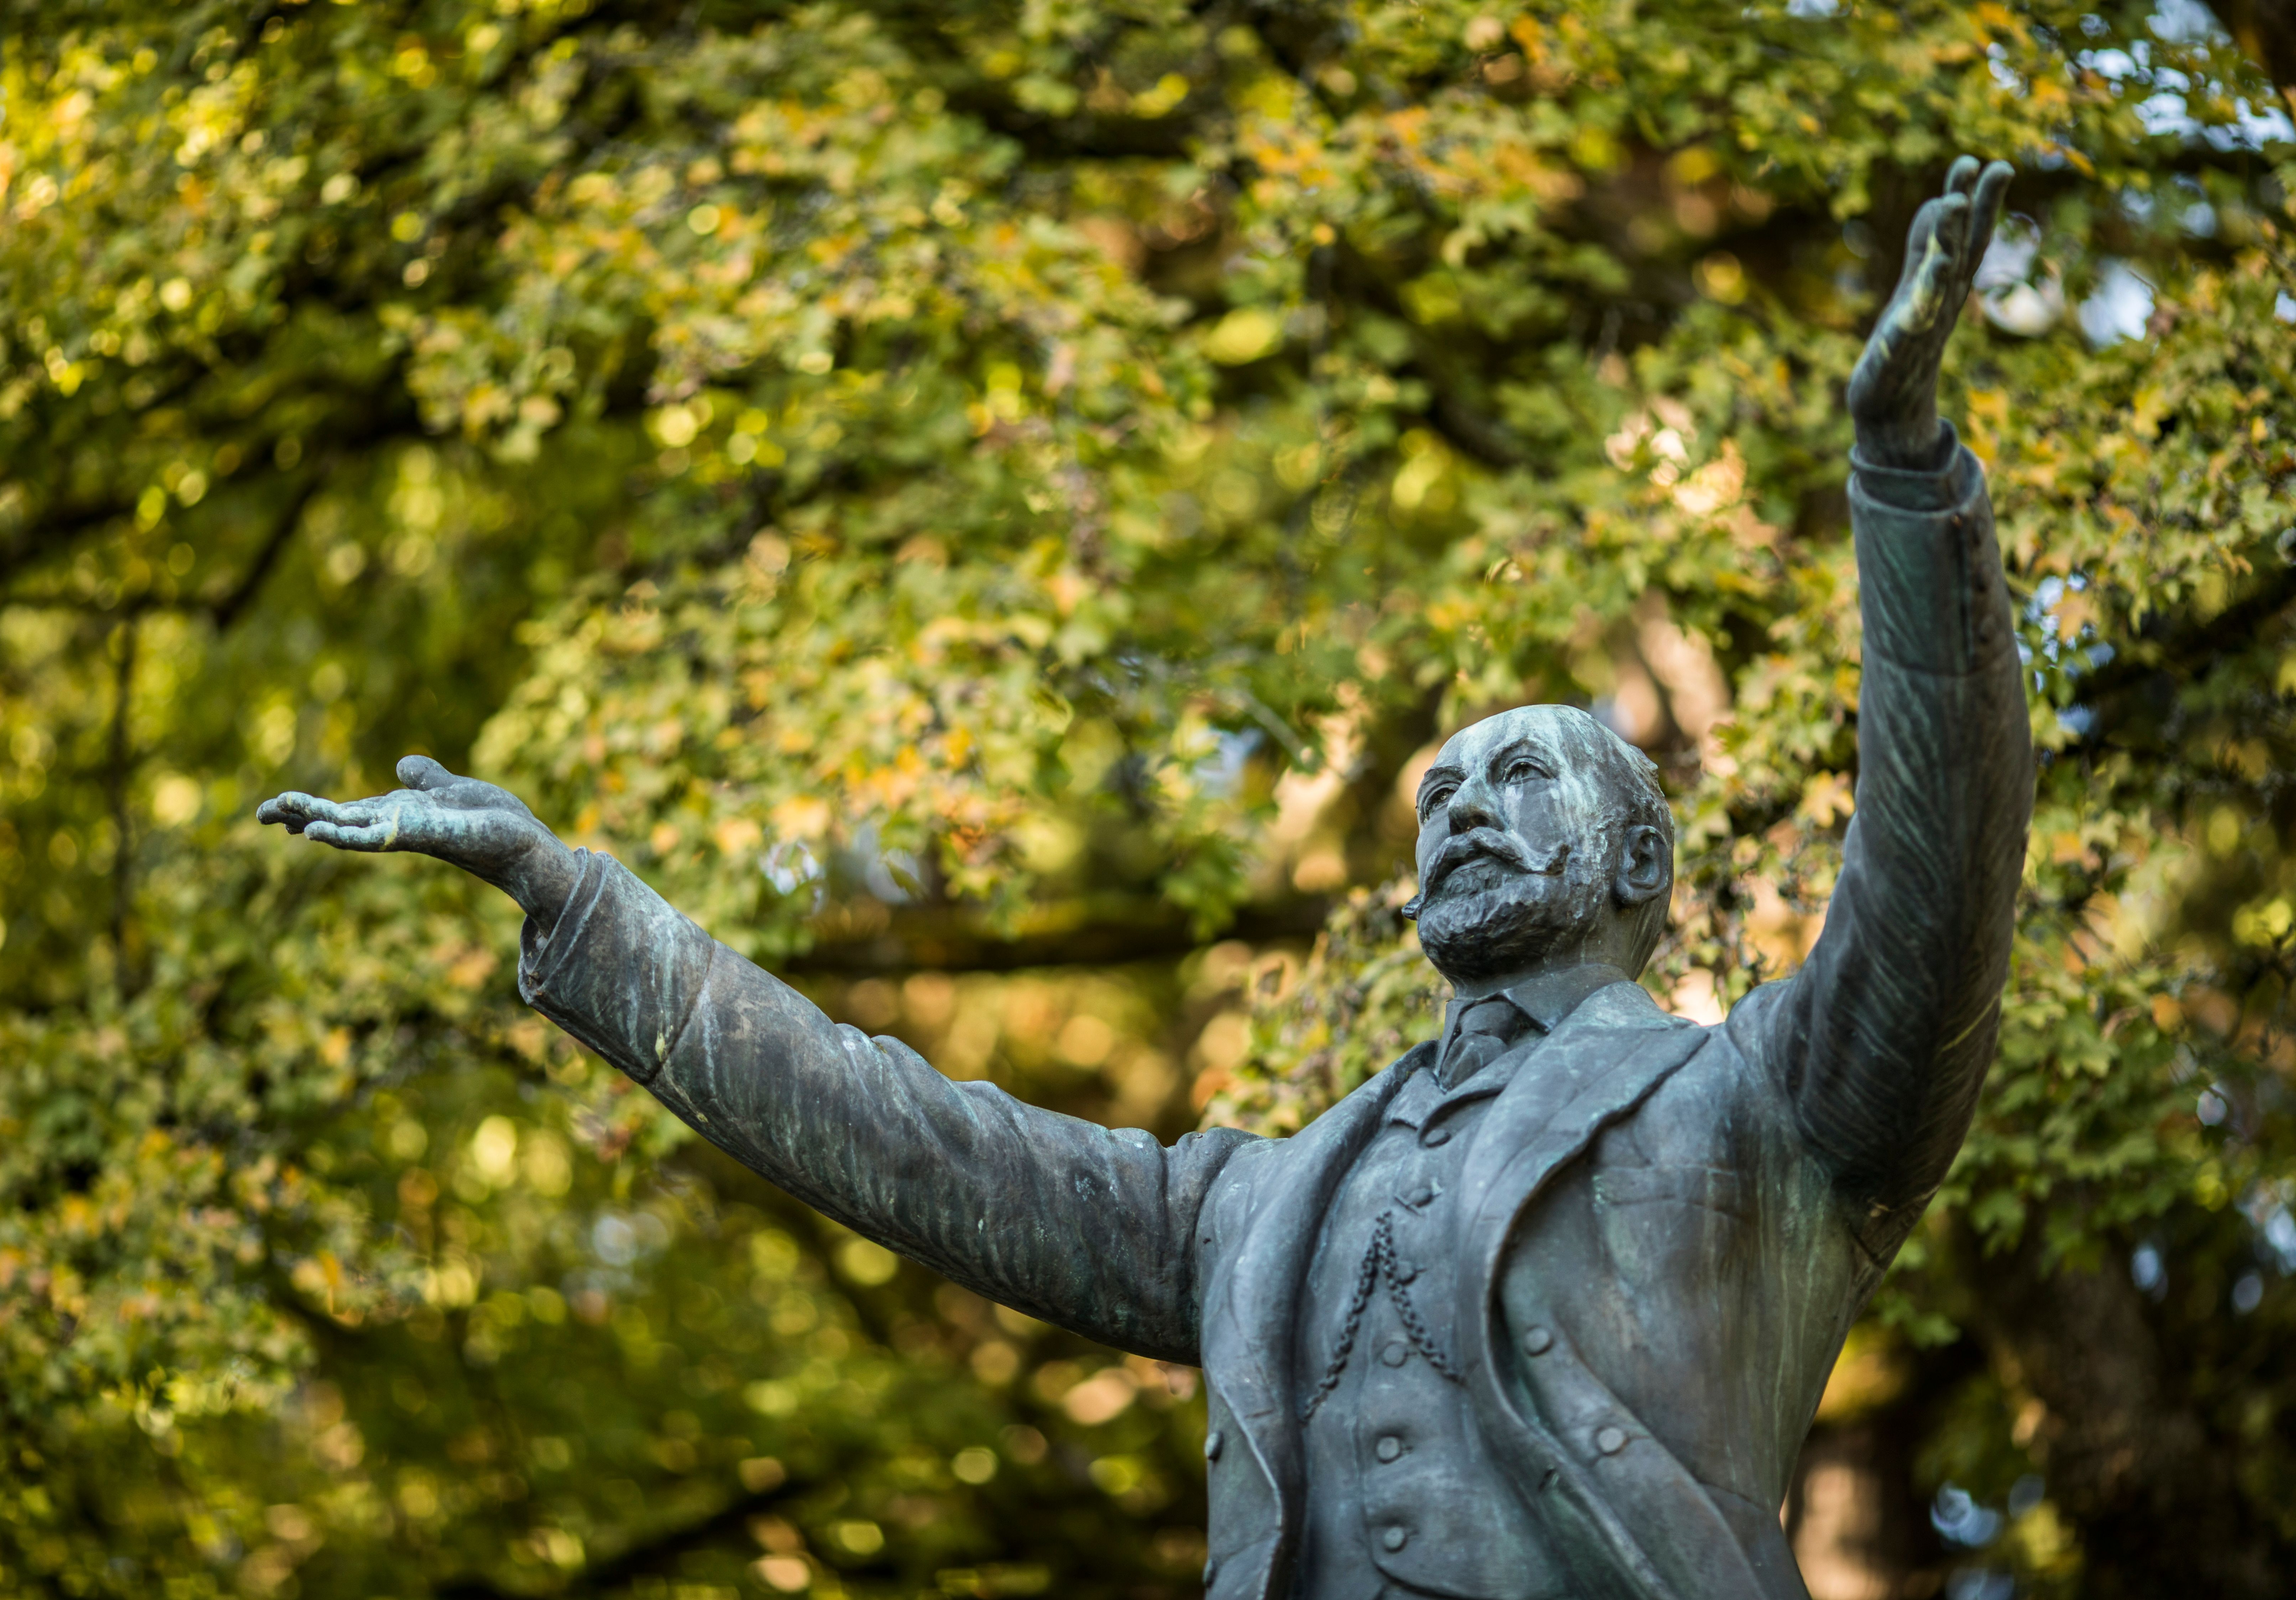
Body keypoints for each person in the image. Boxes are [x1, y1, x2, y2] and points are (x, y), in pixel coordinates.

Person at [262, 158, 2032, 1600]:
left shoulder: (1764, 1110)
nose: (1457, 811)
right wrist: (583, 905)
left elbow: (1934, 870)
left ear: (1641, 852)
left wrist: (1905, 475)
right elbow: (901, 1137)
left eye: (1517, 778)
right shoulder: (1255, 1203)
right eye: (1435, 791)